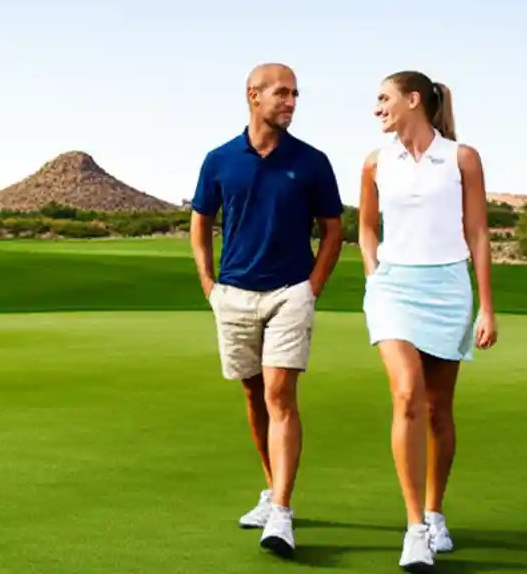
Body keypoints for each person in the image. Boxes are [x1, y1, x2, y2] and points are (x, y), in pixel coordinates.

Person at [189, 63, 344, 559]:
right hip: (233, 294)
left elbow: (333, 229)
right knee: (254, 395)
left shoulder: (312, 162)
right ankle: (270, 487)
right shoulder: (219, 160)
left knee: (280, 394)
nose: (292, 102)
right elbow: (200, 221)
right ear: (253, 96)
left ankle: (281, 511)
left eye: (296, 94)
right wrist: (209, 285)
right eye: (282, 93)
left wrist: (312, 287)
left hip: (289, 293)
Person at [358, 70, 499, 572]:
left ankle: (436, 512)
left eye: (384, 98)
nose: (377, 108)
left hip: (448, 289)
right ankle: (415, 528)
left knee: (439, 410)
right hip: (393, 289)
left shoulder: (462, 158)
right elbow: (366, 228)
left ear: (413, 100)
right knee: (407, 394)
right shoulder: (375, 162)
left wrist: (486, 306)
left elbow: (478, 233)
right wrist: (374, 276)